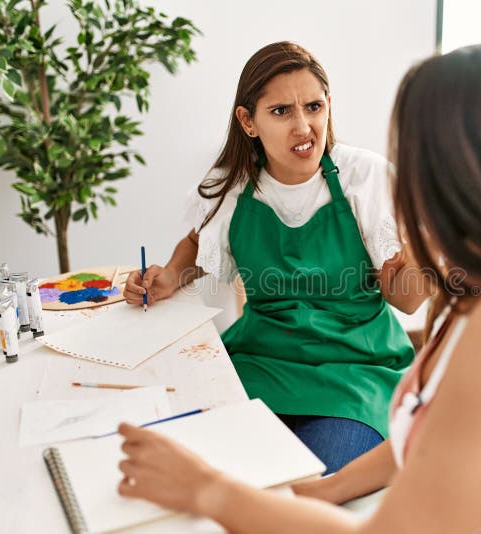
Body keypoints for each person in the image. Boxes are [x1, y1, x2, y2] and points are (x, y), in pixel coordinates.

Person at [116, 44, 481, 533]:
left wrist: (209, 492)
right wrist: (324, 490)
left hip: (350, 383)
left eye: (417, 154)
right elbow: (428, 430)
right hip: (275, 367)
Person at [123, 41, 426, 474]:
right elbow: (197, 241)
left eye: (314, 107)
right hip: (261, 363)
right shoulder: (232, 183)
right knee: (211, 468)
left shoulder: (365, 176)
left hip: (356, 373)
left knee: (307, 481)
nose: (304, 127)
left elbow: (408, 300)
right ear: (248, 121)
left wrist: (425, 231)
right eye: (281, 111)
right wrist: (169, 276)